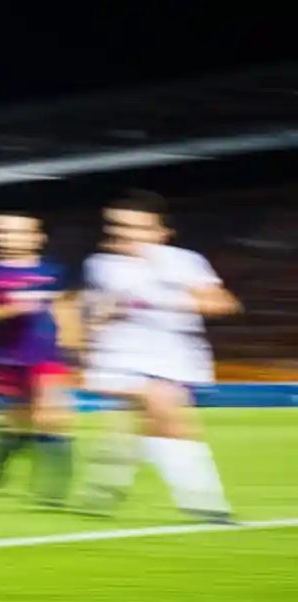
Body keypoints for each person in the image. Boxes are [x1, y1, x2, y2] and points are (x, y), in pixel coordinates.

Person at [81, 191, 240, 521]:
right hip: (121, 354)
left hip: (173, 352)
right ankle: (207, 505)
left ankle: (106, 483)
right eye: (117, 225)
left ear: (160, 231)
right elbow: (99, 312)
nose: (124, 233)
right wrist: (95, 325)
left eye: (135, 227)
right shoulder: (102, 265)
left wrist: (167, 299)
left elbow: (222, 304)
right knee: (166, 413)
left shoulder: (185, 261)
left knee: (138, 425)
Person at [0, 212, 80, 506]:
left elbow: (69, 310)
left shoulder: (54, 272)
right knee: (18, 422)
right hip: (9, 357)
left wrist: (75, 350)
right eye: (0, 232)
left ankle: (53, 489)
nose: (7, 237)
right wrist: (8, 309)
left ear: (38, 237)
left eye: (17, 232)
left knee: (52, 416)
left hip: (48, 355)